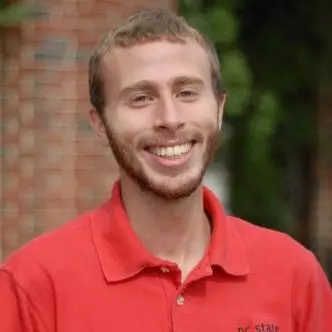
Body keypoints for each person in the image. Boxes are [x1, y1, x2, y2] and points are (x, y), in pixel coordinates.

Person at [1, 7, 331, 332]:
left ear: (219, 109)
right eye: (141, 98)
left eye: (187, 92)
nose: (170, 119)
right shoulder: (32, 285)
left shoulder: (293, 275)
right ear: (100, 124)